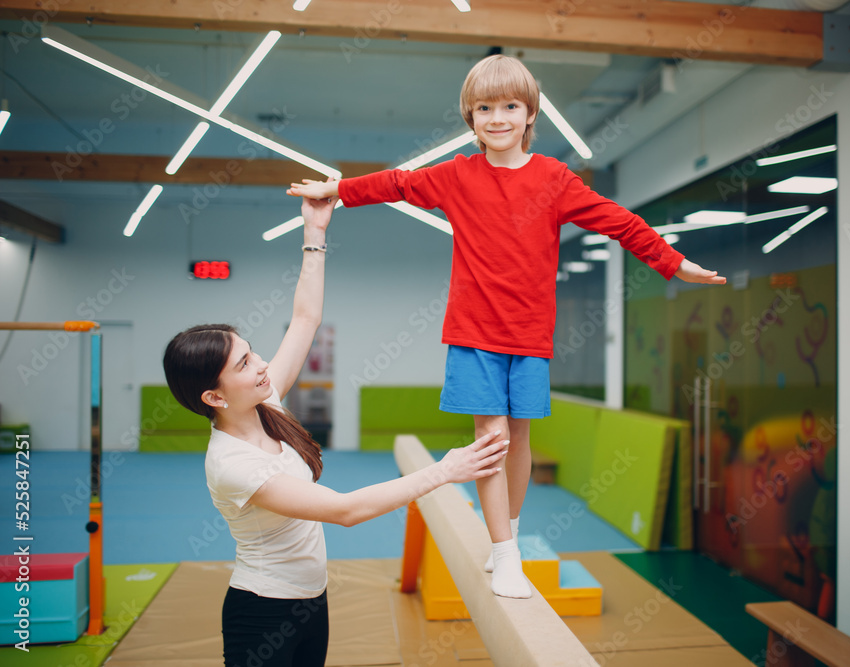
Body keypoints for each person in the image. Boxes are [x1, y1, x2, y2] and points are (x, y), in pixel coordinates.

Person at [287, 55, 726, 600]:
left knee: (518, 440)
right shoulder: (457, 175)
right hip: (474, 334)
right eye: (484, 109)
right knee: (491, 439)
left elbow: (619, 221)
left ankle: (508, 535)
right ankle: (504, 553)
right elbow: (399, 183)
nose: (497, 118)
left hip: (529, 336)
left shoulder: (554, 179)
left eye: (510, 106)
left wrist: (672, 261)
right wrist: (340, 189)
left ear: (530, 113)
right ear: (471, 118)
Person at [162, 192, 508, 667]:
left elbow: (305, 318)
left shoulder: (267, 403)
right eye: (244, 364)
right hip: (262, 612)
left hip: (311, 601)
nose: (261, 364)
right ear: (215, 398)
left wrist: (315, 233)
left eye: (252, 351)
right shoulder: (233, 465)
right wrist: (444, 471)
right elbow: (346, 511)